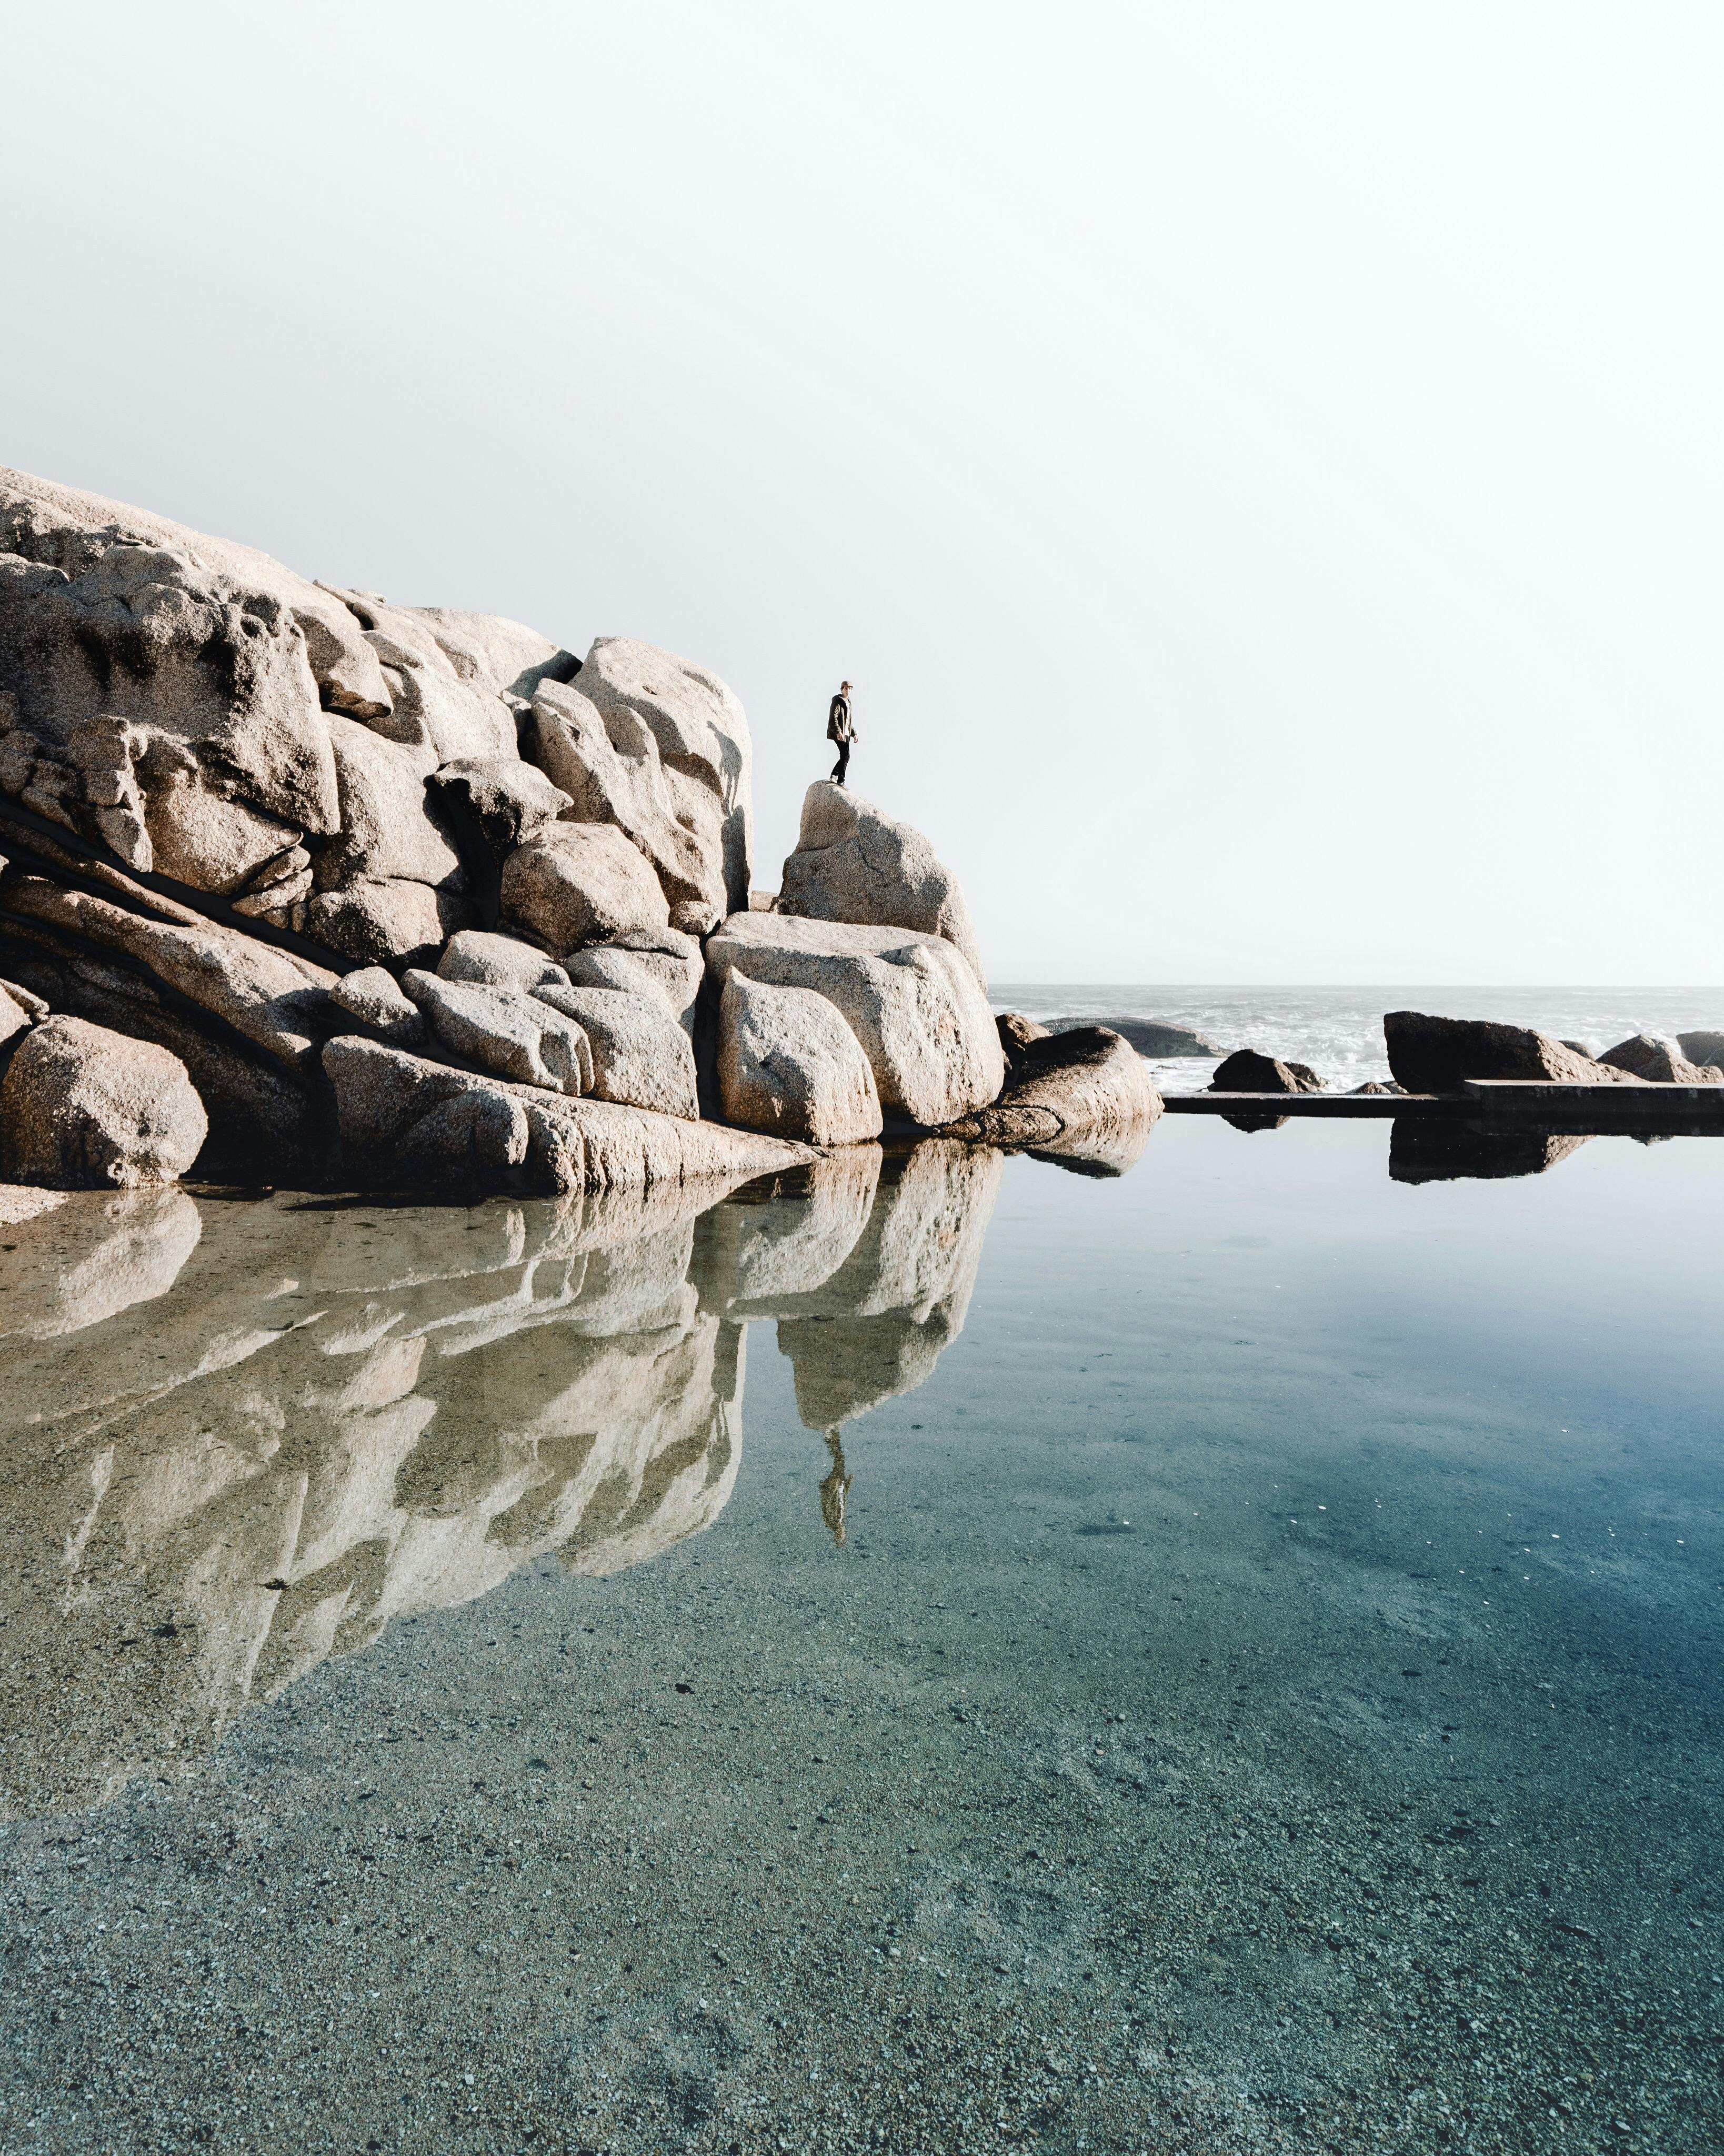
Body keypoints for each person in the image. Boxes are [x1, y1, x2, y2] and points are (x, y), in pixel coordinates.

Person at [826, 680, 855, 784]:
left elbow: (848, 721)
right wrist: (838, 731)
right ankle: (839, 779)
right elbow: (833, 718)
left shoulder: (849, 702)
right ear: (842, 689)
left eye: (850, 689)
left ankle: (837, 777)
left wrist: (853, 733)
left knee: (845, 756)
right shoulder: (838, 701)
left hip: (846, 733)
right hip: (839, 733)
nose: (848, 691)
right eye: (846, 688)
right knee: (846, 756)